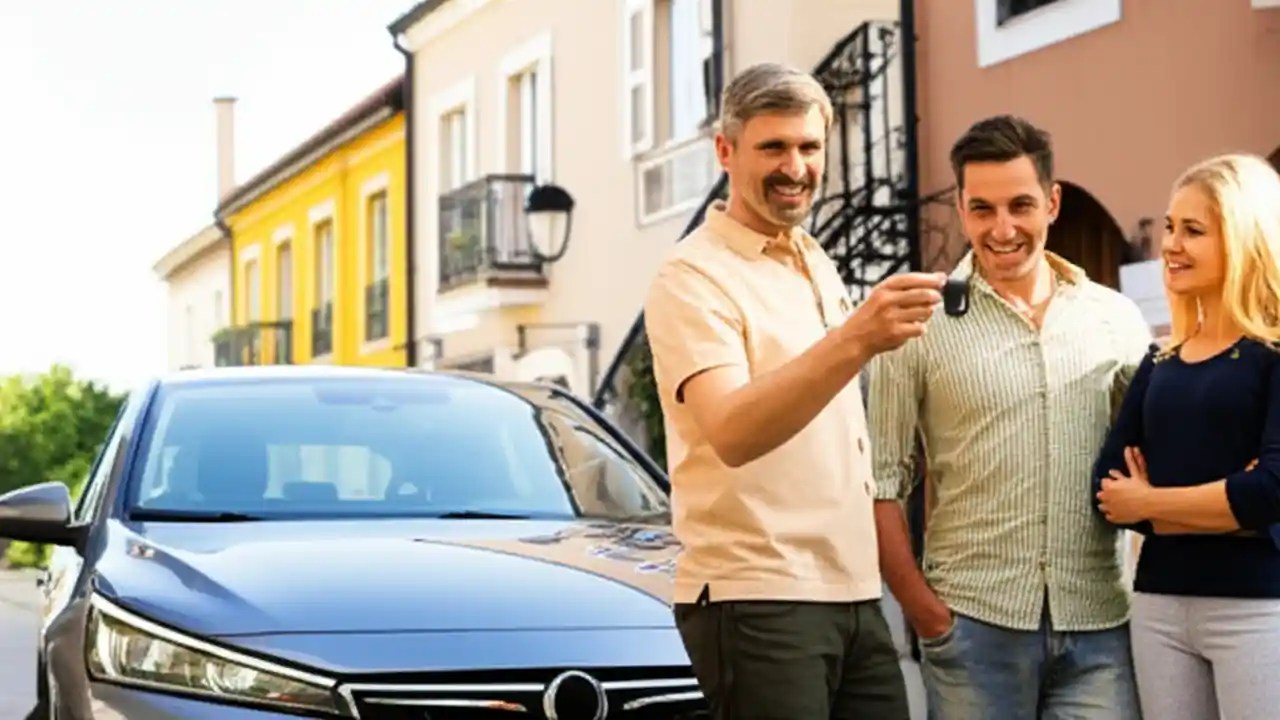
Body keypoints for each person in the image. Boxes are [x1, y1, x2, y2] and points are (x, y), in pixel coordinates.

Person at [643, 62, 946, 719]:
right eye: (772, 147)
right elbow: (731, 431)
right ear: (725, 151)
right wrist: (858, 337)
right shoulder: (692, 276)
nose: (796, 166)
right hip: (758, 595)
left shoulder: (811, 257)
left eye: (809, 147)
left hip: (855, 592)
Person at [866, 114, 1151, 719]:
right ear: (963, 211)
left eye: (1020, 205)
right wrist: (926, 614)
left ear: (1051, 202)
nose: (1002, 229)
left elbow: (1155, 458)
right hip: (973, 629)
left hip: (1100, 626)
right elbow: (880, 485)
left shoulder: (1116, 318)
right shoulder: (918, 324)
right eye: (982, 209)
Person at [1094, 152, 1280, 719]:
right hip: (1159, 606)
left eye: (1193, 230)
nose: (1170, 244)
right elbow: (1107, 493)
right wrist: (1227, 505)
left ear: (1245, 241)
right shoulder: (1160, 361)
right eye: (1170, 227)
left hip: (1257, 607)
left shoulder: (1272, 358)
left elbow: (1270, 491)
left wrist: (1151, 501)